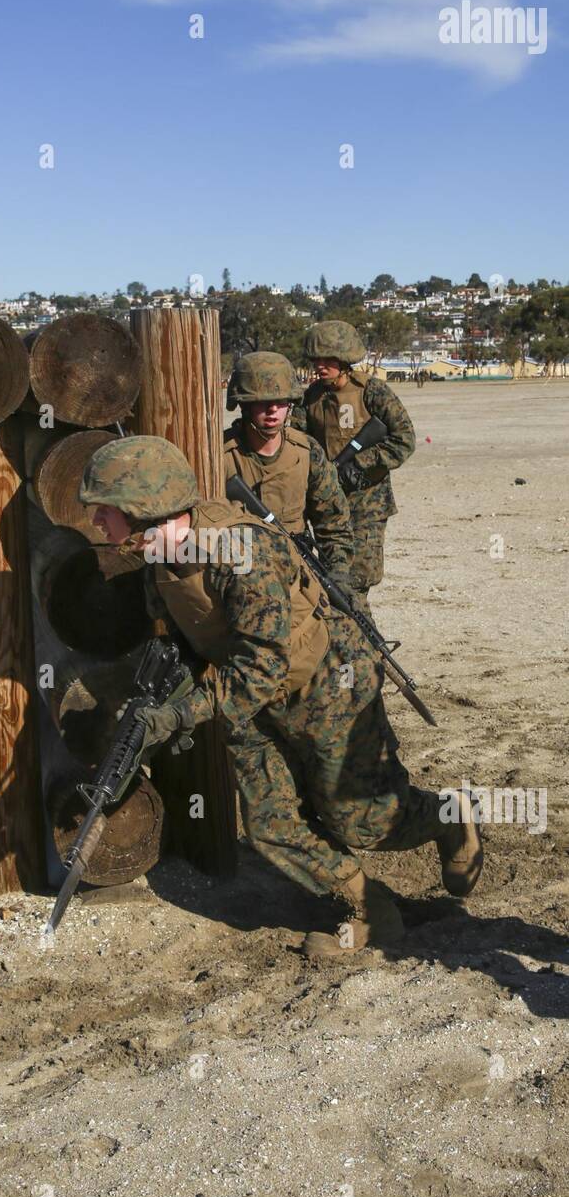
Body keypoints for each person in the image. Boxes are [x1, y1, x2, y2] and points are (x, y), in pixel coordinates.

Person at [79, 435, 483, 959]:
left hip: (327, 682)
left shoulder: (242, 554)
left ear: (141, 508)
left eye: (104, 510)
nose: (96, 523)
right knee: (273, 826)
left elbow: (264, 664)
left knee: (361, 820)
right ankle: (372, 909)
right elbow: (191, 640)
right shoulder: (159, 556)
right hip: (245, 698)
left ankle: (449, 815)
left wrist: (184, 714)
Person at [294, 320, 416, 617]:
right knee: (330, 582)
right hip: (327, 509)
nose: (320, 367)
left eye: (327, 360)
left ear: (345, 359)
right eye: (316, 360)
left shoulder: (372, 391)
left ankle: (368, 656)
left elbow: (404, 440)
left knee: (354, 585)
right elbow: (296, 445)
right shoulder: (310, 398)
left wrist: (359, 467)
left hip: (367, 507)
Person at [223, 350, 355, 597]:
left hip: (297, 569)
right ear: (244, 404)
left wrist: (337, 573)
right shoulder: (220, 457)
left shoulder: (306, 451)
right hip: (238, 576)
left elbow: (333, 522)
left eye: (281, 401)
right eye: (263, 402)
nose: (273, 409)